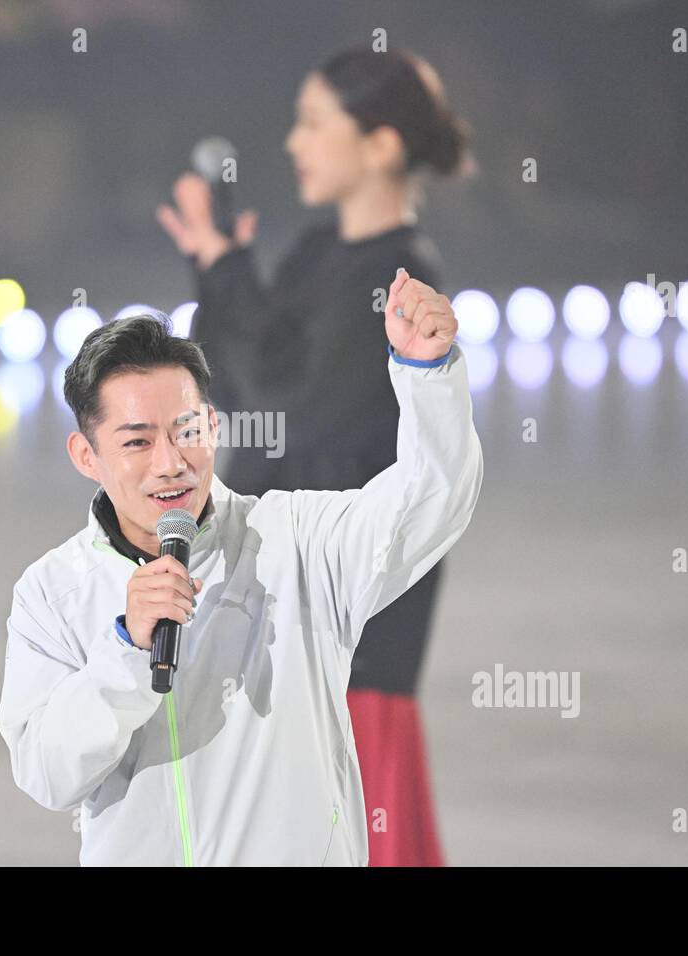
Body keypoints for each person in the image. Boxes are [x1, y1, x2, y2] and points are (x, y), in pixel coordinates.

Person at [0, 270, 482, 865]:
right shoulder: (52, 593)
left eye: (187, 430)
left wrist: (428, 377)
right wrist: (125, 649)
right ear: (86, 456)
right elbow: (48, 774)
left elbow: (429, 501)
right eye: (137, 442)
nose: (171, 462)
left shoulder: (296, 542)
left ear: (215, 426)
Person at [156, 46, 475, 865]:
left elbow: (288, 419)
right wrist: (215, 261)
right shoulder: (314, 255)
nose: (294, 144)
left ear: (379, 145)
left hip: (352, 620)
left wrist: (225, 271)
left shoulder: (400, 283)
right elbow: (232, 373)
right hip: (281, 609)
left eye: (312, 123)